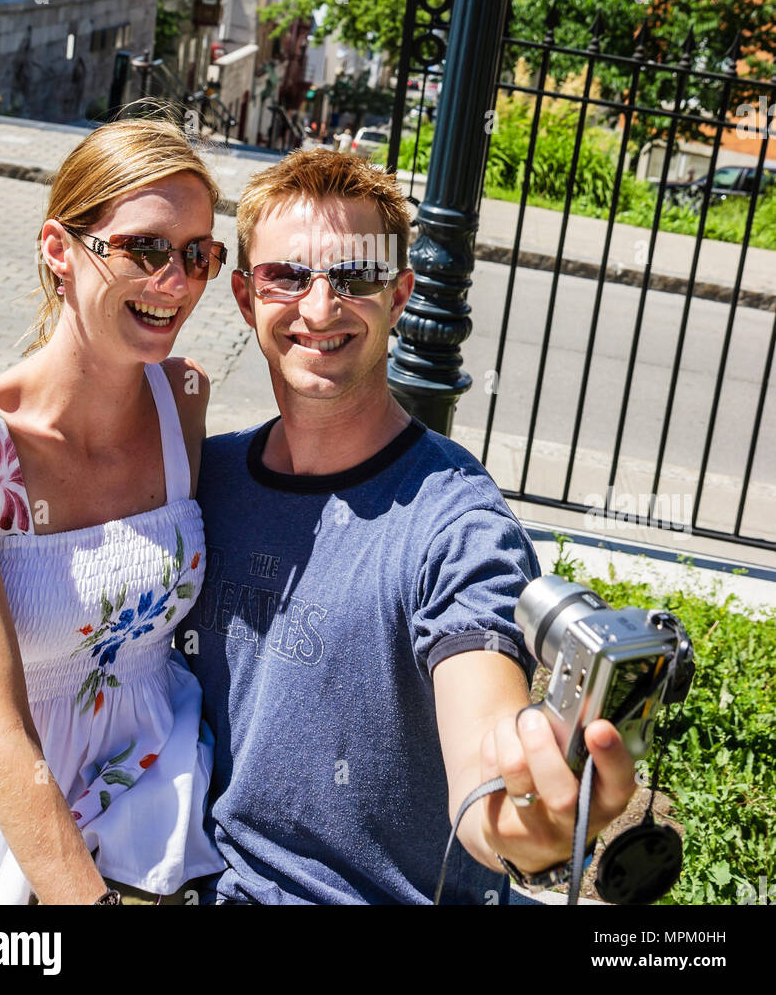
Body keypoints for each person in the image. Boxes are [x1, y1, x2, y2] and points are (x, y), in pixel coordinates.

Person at [176, 148, 637, 904]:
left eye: (355, 278)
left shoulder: (457, 524)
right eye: (287, 275)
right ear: (244, 295)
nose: (320, 308)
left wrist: (520, 823)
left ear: (401, 295)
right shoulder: (205, 477)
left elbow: (484, 752)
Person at [0, 116, 226, 904]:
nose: (176, 282)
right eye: (146, 249)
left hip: (159, 791)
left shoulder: (181, 399)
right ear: (60, 249)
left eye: (198, 255)